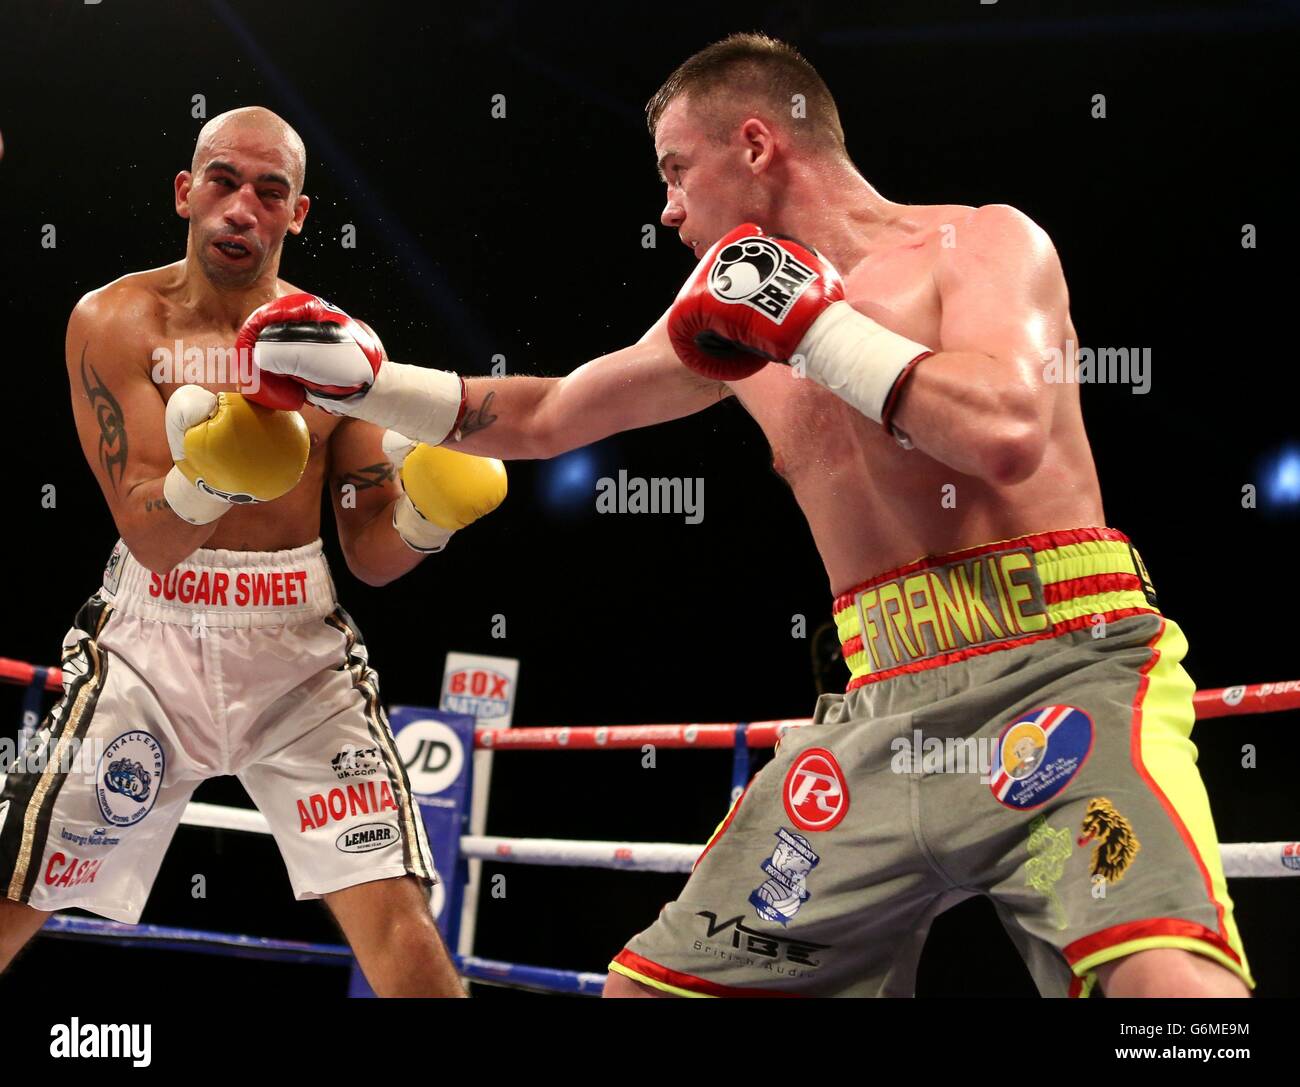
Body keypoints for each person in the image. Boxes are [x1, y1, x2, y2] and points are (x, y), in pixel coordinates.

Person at [245, 35, 1250, 998]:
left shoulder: (981, 242)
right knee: (651, 992)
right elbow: (549, 416)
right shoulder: (730, 321)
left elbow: (1003, 431)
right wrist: (369, 383)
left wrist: (816, 327)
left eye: (678, 171)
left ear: (758, 144)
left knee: (1164, 978)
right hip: (881, 705)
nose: (669, 209)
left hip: (1063, 672)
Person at [0, 107, 505, 997]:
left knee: (403, 928)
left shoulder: (334, 351)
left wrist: (426, 515)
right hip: (147, 646)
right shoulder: (117, 323)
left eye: (269, 191)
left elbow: (370, 554)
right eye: (225, 182)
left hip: (298, 653)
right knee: (11, 887)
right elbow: (152, 536)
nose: (242, 207)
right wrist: (221, 476)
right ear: (185, 193)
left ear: (297, 215)